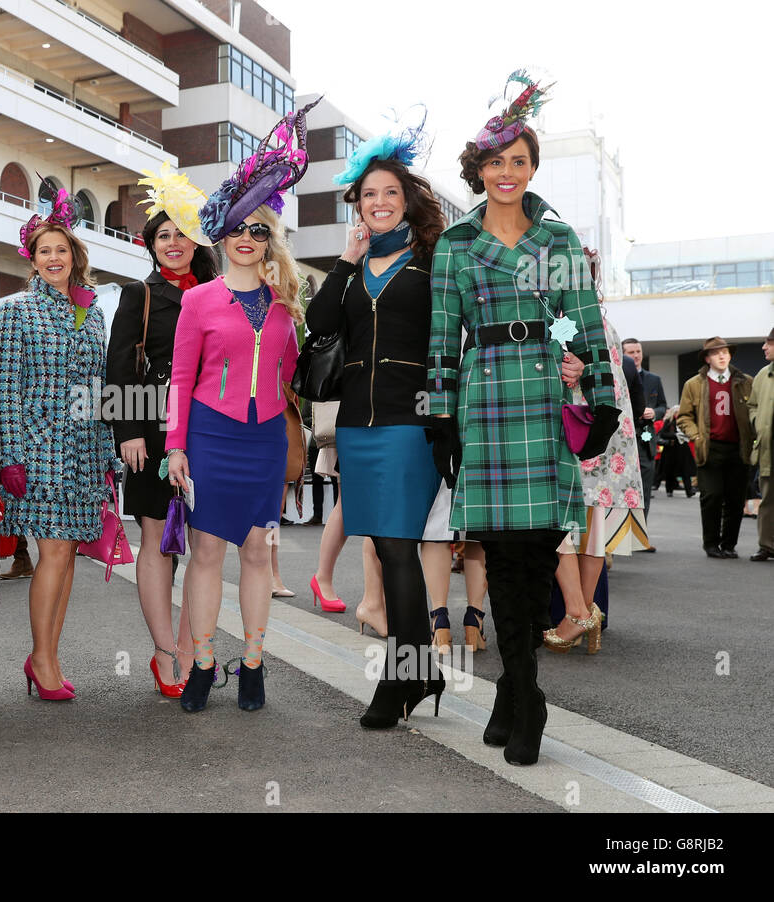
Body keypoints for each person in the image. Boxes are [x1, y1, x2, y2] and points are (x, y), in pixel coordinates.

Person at [426, 72, 618, 766]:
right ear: (476, 169)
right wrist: (440, 419)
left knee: (537, 552)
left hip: (543, 395)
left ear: (532, 167)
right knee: (500, 553)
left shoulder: (560, 240)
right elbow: (442, 339)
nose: (506, 173)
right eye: (494, 161)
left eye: (519, 161)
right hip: (486, 400)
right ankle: (527, 696)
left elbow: (587, 327)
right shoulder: (453, 245)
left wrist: (598, 397)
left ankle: (519, 691)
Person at [166, 100, 317, 713]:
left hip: (263, 441)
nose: (248, 239)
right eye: (238, 228)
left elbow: (291, 378)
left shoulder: (287, 305)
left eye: (260, 230)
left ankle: (252, 664)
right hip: (208, 435)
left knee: (258, 551)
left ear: (270, 237)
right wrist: (175, 444)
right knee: (205, 551)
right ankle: (202, 662)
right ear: (222, 233)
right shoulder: (198, 300)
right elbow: (179, 377)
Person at [307, 118, 448, 727]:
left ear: (407, 201)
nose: (381, 202)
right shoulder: (356, 264)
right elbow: (320, 325)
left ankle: (403, 678)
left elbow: (452, 338)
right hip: (357, 427)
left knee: (396, 546)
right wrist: (345, 259)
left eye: (390, 192)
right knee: (387, 547)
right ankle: (421, 673)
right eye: (369, 194)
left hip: (409, 422)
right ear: (357, 206)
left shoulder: (432, 260)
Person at [0, 180, 117, 701]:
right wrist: (11, 456)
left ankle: (48, 653)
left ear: (75, 256)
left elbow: (100, 390)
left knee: (67, 556)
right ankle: (41, 657)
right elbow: (7, 387)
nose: (53, 258)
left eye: (61, 250)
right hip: (40, 455)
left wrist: (109, 452)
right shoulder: (18, 310)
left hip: (86, 454)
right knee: (54, 553)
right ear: (32, 258)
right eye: (44, 251)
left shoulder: (91, 315)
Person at [106, 164, 219, 698]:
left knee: (205, 544)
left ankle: (193, 649)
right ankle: (163, 652)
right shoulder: (140, 295)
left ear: (197, 238)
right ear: (151, 244)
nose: (173, 243)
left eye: (182, 232)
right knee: (157, 538)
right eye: (163, 234)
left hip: (212, 432)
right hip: (151, 431)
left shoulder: (222, 290)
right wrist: (127, 430)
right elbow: (119, 369)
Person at [546, 257, 647, 653]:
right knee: (593, 532)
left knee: (555, 522)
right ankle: (586, 612)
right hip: (609, 437)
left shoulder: (564, 318)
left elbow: (558, 369)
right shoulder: (604, 320)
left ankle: (576, 614)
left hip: (574, 433)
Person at [677, 336, 754, 559]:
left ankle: (729, 544)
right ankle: (711, 543)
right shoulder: (694, 384)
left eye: (725, 352)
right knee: (711, 496)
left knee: (735, 498)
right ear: (708, 358)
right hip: (709, 447)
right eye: (716, 353)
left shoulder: (744, 380)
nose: (722, 356)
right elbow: (684, 417)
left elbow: (753, 411)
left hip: (738, 449)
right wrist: (697, 436)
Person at [621, 337, 665, 542]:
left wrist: (654, 412)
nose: (636, 356)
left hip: (646, 440)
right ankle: (620, 536)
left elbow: (663, 407)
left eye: (638, 351)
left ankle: (640, 537)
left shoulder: (654, 379)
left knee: (645, 490)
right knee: (623, 489)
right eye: (631, 352)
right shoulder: (619, 375)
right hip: (623, 439)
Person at [749, 328, 774, 561]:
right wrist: (758, 421)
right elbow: (752, 406)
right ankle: (767, 545)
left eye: (769, 343)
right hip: (767, 449)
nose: (764, 347)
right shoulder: (762, 375)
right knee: (767, 499)